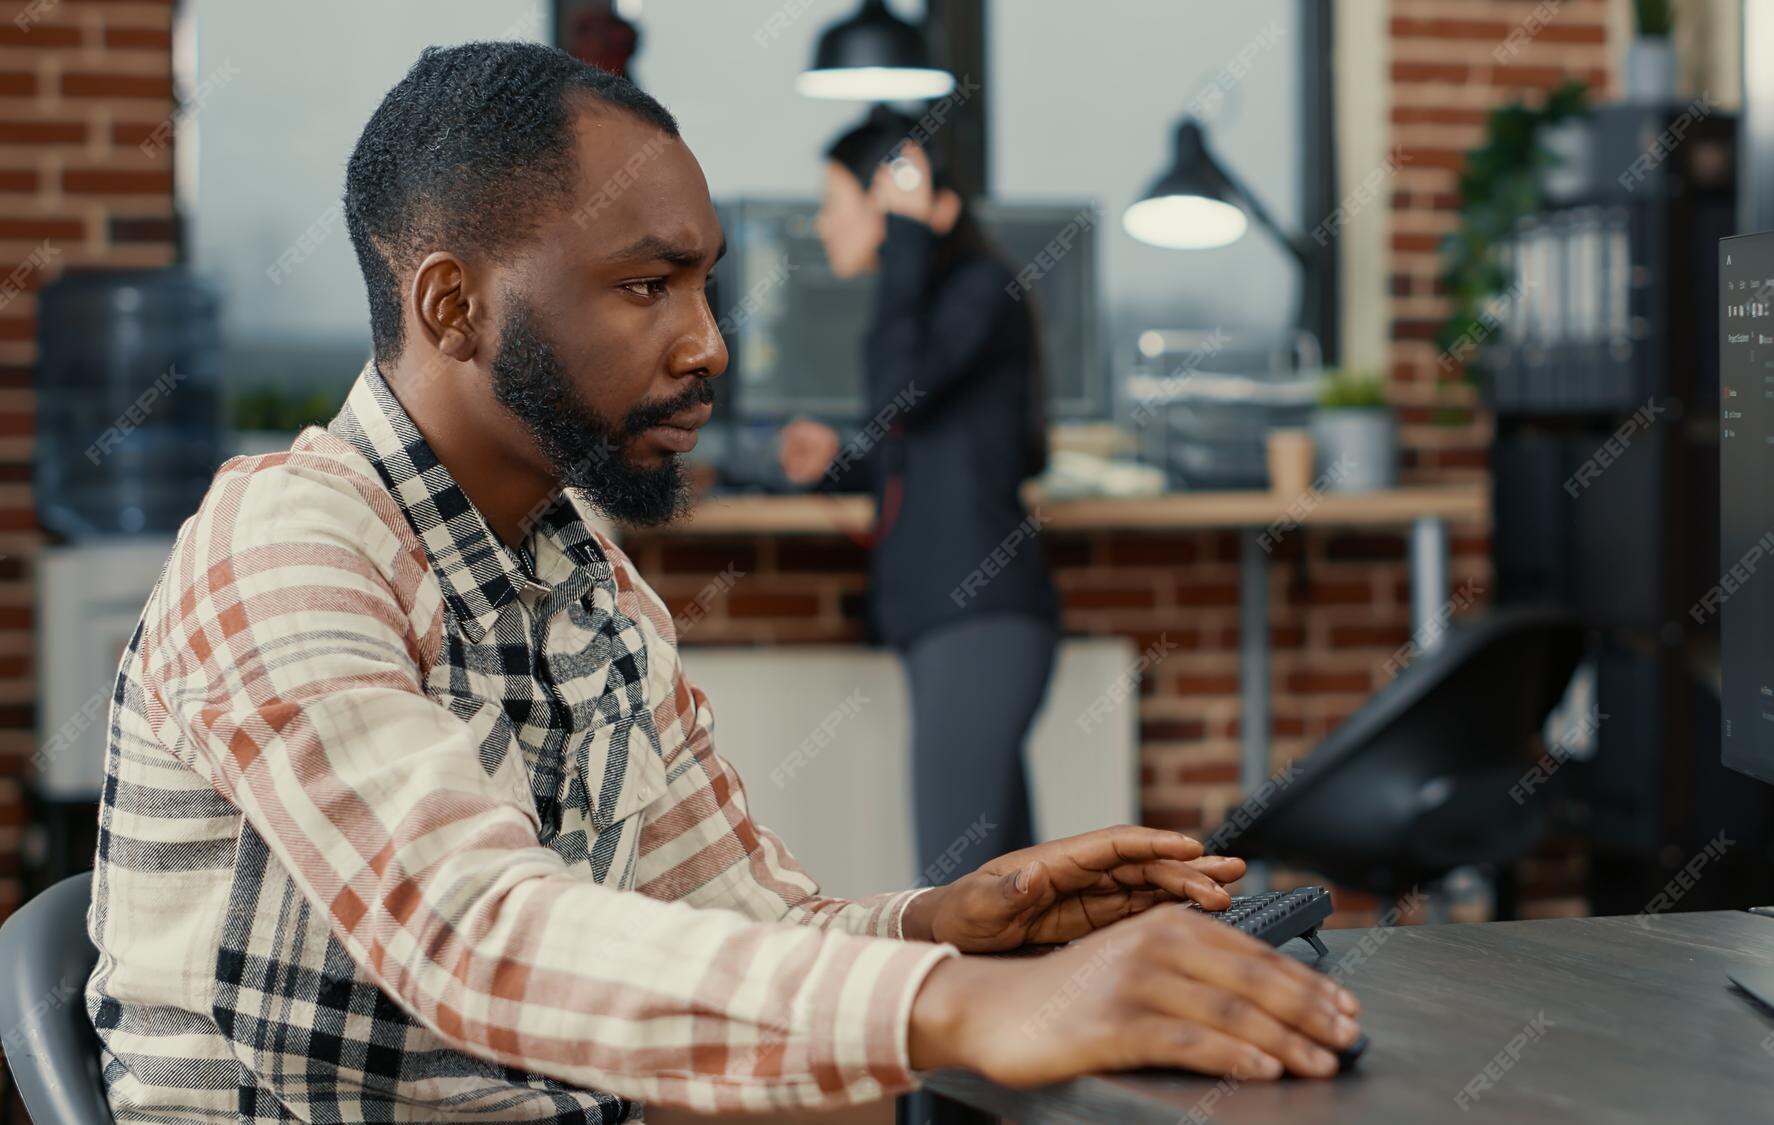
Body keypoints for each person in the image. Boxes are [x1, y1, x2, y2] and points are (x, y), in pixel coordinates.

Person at [85, 42, 1362, 1121]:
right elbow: (473, 934)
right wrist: (971, 1009)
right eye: (646, 287)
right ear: (451, 305)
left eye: (703, 285)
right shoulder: (284, 549)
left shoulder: (599, 593)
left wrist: (945, 930)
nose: (710, 346)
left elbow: (749, 926)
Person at [781, 108, 1061, 878]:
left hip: (982, 626)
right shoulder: (941, 301)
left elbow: (899, 395)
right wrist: (836, 462)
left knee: (957, 890)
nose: (824, 220)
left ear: (895, 193)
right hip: (955, 625)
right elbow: (917, 450)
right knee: (1004, 890)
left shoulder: (977, 288)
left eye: (837, 200)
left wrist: (904, 238)